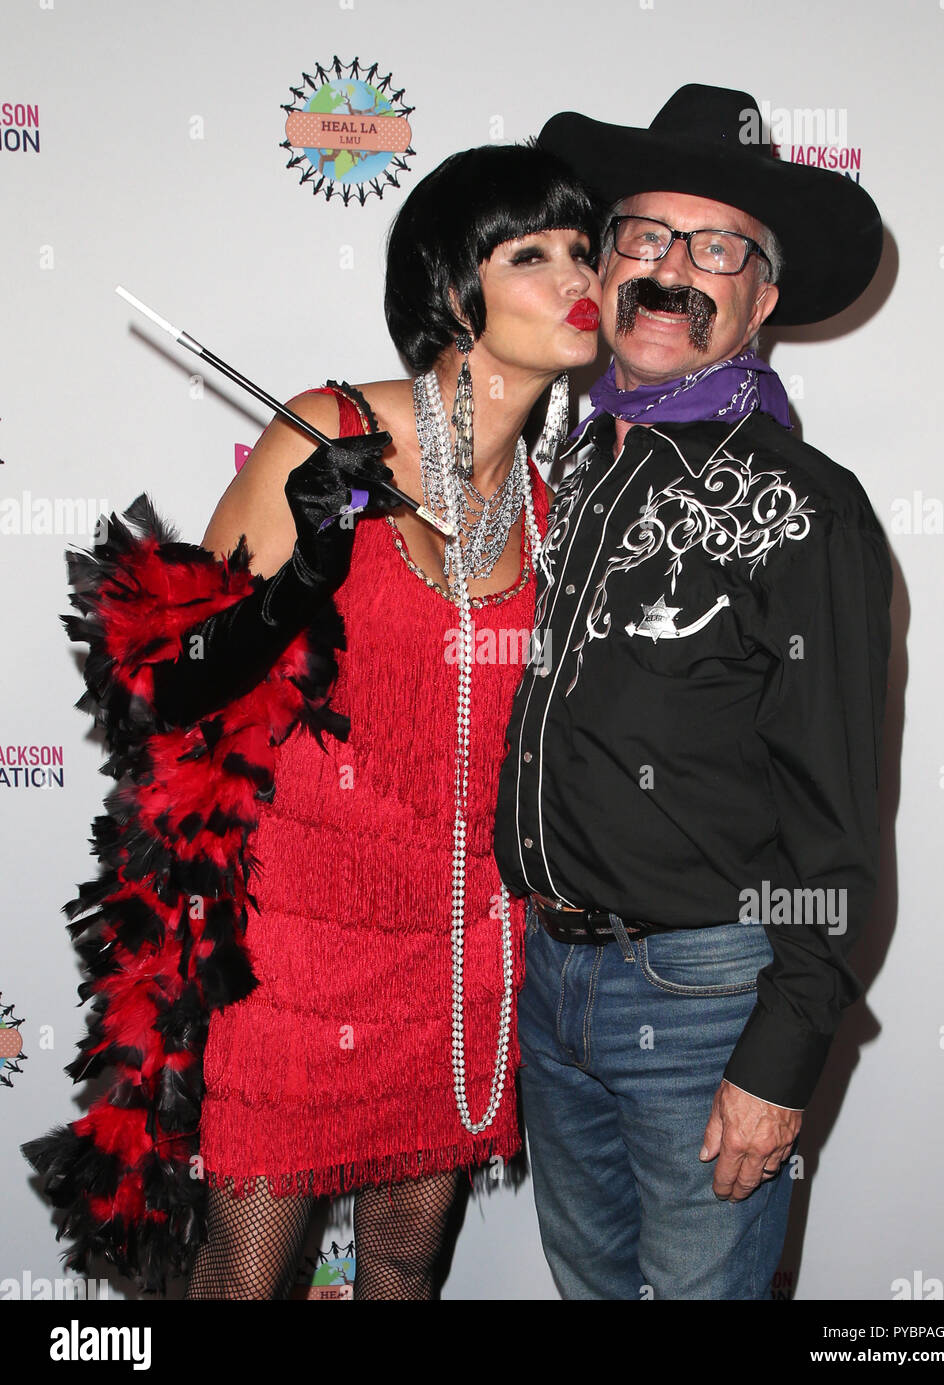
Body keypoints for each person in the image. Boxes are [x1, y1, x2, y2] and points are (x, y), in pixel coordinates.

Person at [23, 143, 603, 1300]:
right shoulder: (331, 431)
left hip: (455, 955)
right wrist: (295, 589)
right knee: (242, 1282)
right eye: (529, 253)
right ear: (453, 292)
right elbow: (161, 681)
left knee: (401, 1262)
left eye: (582, 249)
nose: (574, 274)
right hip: (288, 949)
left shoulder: (551, 510)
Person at [494, 84, 892, 1300]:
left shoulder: (806, 508)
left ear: (759, 296)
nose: (673, 271)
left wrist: (778, 1061)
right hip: (546, 981)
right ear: (602, 262)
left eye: (716, 249)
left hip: (705, 997)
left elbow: (835, 819)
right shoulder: (561, 463)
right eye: (645, 238)